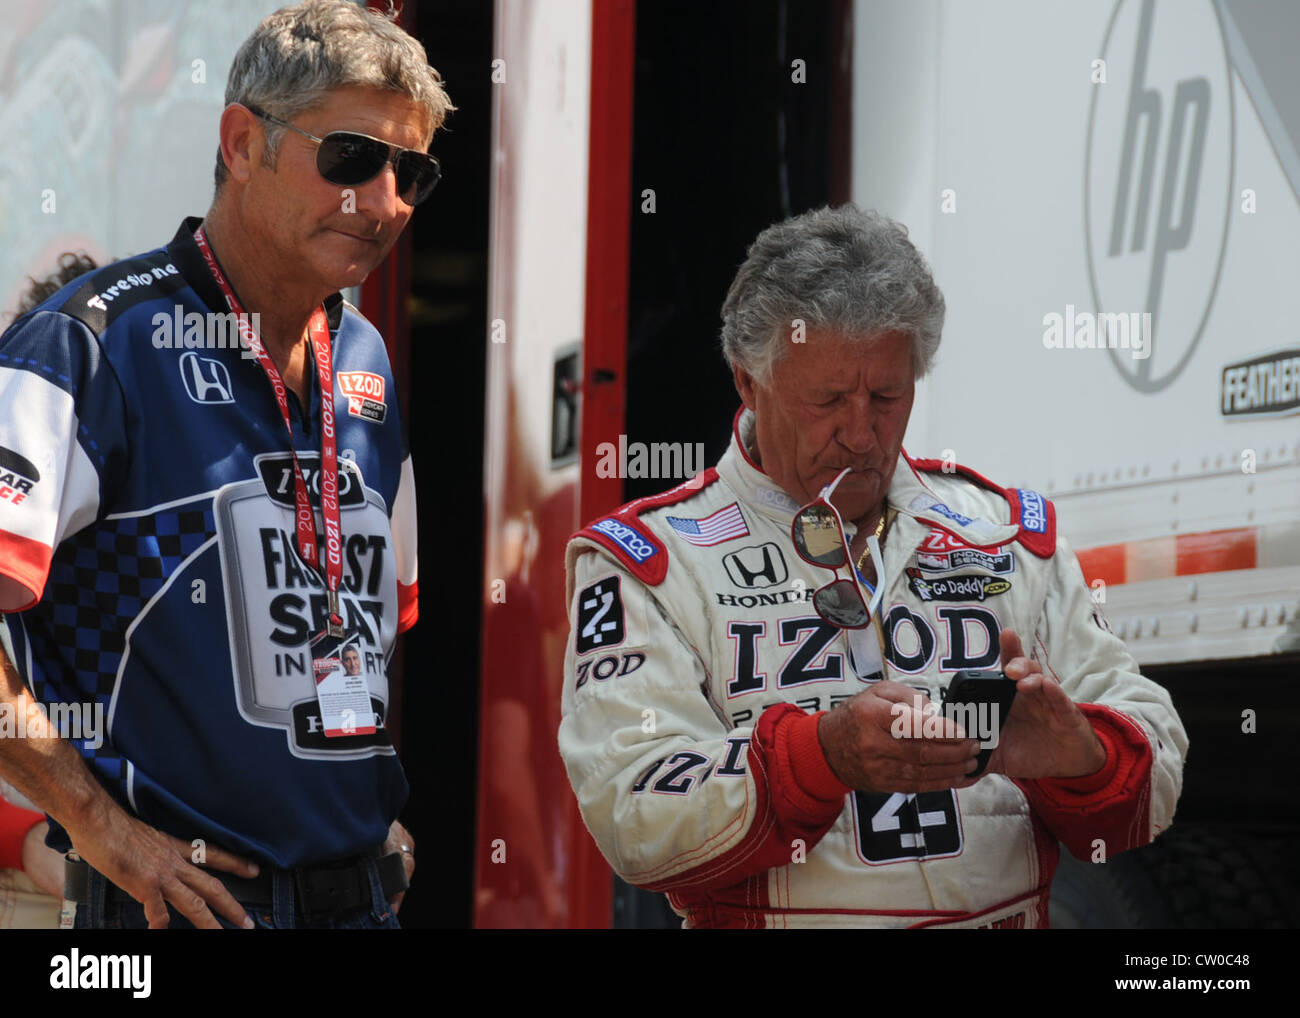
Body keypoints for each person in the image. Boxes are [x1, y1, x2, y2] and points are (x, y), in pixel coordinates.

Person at [558, 205, 1187, 928]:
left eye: (887, 397)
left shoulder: (1006, 532)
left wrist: (1082, 757)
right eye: (826, 401)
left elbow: (1153, 769)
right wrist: (823, 757)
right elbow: (631, 811)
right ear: (747, 382)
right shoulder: (650, 562)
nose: (861, 435)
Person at [0, 0, 449, 929]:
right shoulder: (90, 343)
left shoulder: (365, 359)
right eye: (352, 158)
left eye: (413, 171)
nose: (386, 200)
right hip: (174, 908)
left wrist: (363, 817)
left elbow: (373, 632)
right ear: (242, 143)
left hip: (362, 903)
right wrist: (99, 828)